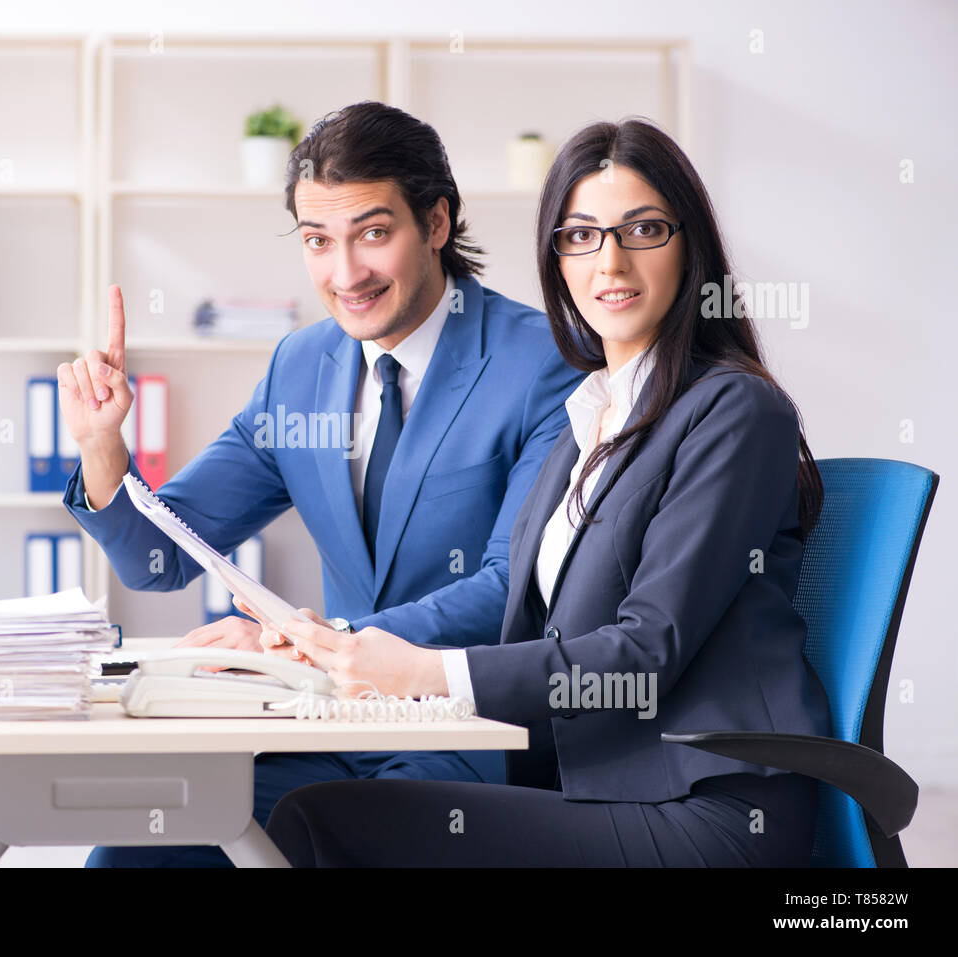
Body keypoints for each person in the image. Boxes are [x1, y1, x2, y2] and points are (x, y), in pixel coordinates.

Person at [260, 117, 834, 867]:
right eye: (581, 236)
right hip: (598, 787)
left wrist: (424, 672)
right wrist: (333, 648)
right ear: (556, 258)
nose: (612, 261)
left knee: (325, 822)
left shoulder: (733, 411)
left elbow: (642, 652)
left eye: (645, 229)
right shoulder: (589, 420)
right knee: (276, 804)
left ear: (690, 244)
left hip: (710, 808)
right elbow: (527, 629)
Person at [56, 101, 585, 867]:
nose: (346, 275)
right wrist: (104, 445)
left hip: (463, 731)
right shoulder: (299, 368)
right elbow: (163, 557)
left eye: (374, 233)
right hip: (324, 726)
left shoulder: (543, 362)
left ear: (436, 223)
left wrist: (318, 645)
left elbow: (511, 588)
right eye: (317, 241)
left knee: (347, 838)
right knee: (144, 849)